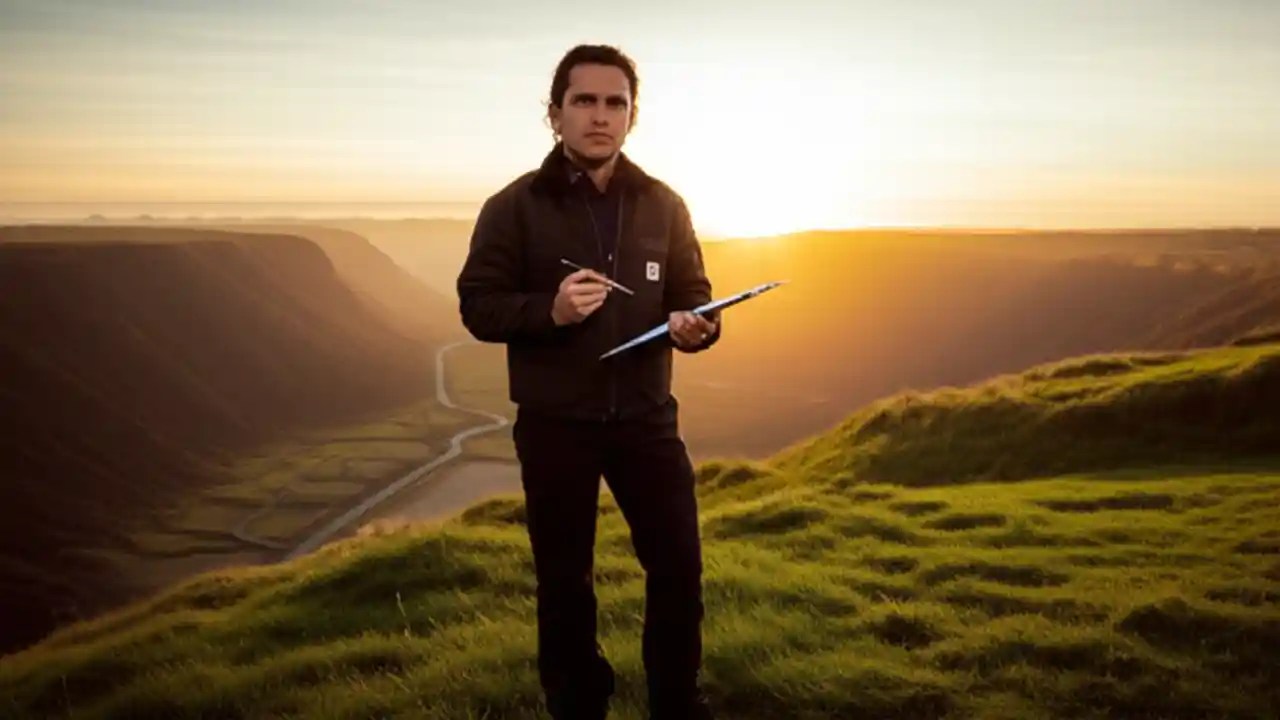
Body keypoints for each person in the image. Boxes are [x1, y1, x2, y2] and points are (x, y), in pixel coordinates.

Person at [456, 43, 720, 720]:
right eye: (584, 101)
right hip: (554, 425)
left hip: (647, 419)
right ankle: (577, 704)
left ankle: (676, 702)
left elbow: (694, 294)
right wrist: (549, 311)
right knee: (564, 581)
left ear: (632, 116)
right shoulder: (513, 207)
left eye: (614, 103)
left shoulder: (664, 205)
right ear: (555, 114)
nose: (600, 116)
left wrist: (697, 326)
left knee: (678, 567)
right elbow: (478, 306)